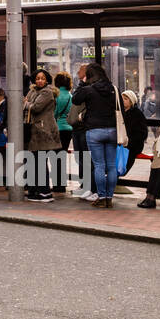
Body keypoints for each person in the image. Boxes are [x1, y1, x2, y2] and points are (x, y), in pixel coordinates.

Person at [72, 62, 122, 209]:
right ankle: (109, 197)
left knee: (99, 165)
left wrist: (82, 83)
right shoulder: (114, 90)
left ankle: (101, 196)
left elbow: (75, 99)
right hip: (112, 130)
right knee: (111, 166)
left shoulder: (88, 89)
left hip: (94, 131)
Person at [23, 68, 60, 201]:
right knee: (33, 161)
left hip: (43, 131)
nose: (40, 81)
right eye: (38, 78)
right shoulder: (33, 91)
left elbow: (36, 107)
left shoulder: (47, 92)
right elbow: (30, 104)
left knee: (40, 161)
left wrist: (26, 103)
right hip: (34, 131)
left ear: (47, 80)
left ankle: (45, 192)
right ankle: (34, 190)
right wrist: (28, 103)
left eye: (43, 78)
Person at [69, 64, 93, 199]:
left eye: (81, 70)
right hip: (76, 128)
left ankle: (87, 186)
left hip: (83, 127)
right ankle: (83, 185)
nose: (78, 71)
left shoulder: (88, 87)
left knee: (85, 159)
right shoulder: (81, 86)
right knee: (80, 158)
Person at [52, 72, 74, 193]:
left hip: (58, 129)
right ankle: (61, 184)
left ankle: (58, 185)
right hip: (68, 129)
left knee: (56, 157)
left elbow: (54, 113)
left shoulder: (57, 95)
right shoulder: (70, 96)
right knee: (62, 156)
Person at [120, 89, 148, 176]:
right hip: (120, 143)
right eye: (121, 99)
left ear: (131, 101)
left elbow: (143, 134)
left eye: (125, 99)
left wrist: (128, 141)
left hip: (132, 145)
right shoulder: (119, 113)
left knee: (120, 168)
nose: (122, 101)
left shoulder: (137, 113)